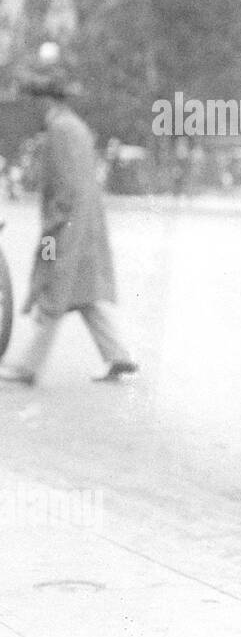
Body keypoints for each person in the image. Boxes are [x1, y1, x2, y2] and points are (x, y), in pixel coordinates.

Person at [0, 44, 138, 386]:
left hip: (65, 230)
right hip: (83, 226)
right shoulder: (73, 126)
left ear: (44, 101)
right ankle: (118, 355)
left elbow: (64, 190)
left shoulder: (60, 131)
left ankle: (27, 367)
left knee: (53, 291)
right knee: (85, 294)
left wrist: (52, 234)